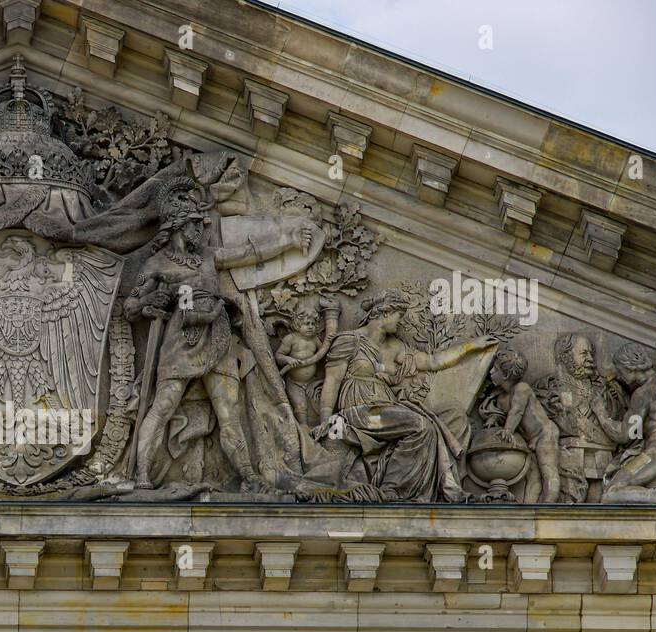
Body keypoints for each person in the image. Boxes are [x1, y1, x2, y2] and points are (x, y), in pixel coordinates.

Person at [126, 181, 317, 491]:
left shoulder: (207, 258)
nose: (202, 229)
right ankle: (142, 477)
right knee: (162, 407)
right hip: (181, 338)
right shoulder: (156, 264)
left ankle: (250, 478)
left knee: (229, 415)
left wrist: (288, 239)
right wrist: (150, 302)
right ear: (179, 225)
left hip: (218, 335)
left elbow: (248, 254)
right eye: (195, 224)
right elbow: (131, 304)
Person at [311, 289, 495, 502]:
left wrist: (471, 346)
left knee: (448, 416)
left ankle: (413, 488)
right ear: (385, 313)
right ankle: (393, 489)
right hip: (361, 412)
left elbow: (433, 362)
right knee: (420, 424)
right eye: (398, 317)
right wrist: (326, 421)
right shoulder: (349, 341)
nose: (399, 324)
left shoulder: (396, 347)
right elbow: (332, 381)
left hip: (386, 409)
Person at [591, 342, 656, 500]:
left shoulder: (643, 393)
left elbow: (625, 435)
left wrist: (600, 412)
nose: (620, 376)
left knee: (612, 491)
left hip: (654, 456)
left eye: (620, 370)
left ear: (630, 366)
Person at [488, 349, 560, 502]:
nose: (490, 372)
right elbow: (505, 416)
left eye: (494, 369)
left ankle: (551, 503)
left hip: (544, 434)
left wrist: (507, 430)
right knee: (533, 475)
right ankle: (530, 505)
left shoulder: (522, 389)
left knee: (548, 470)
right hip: (529, 441)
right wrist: (494, 419)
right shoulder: (502, 398)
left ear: (506, 375)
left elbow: (517, 411)